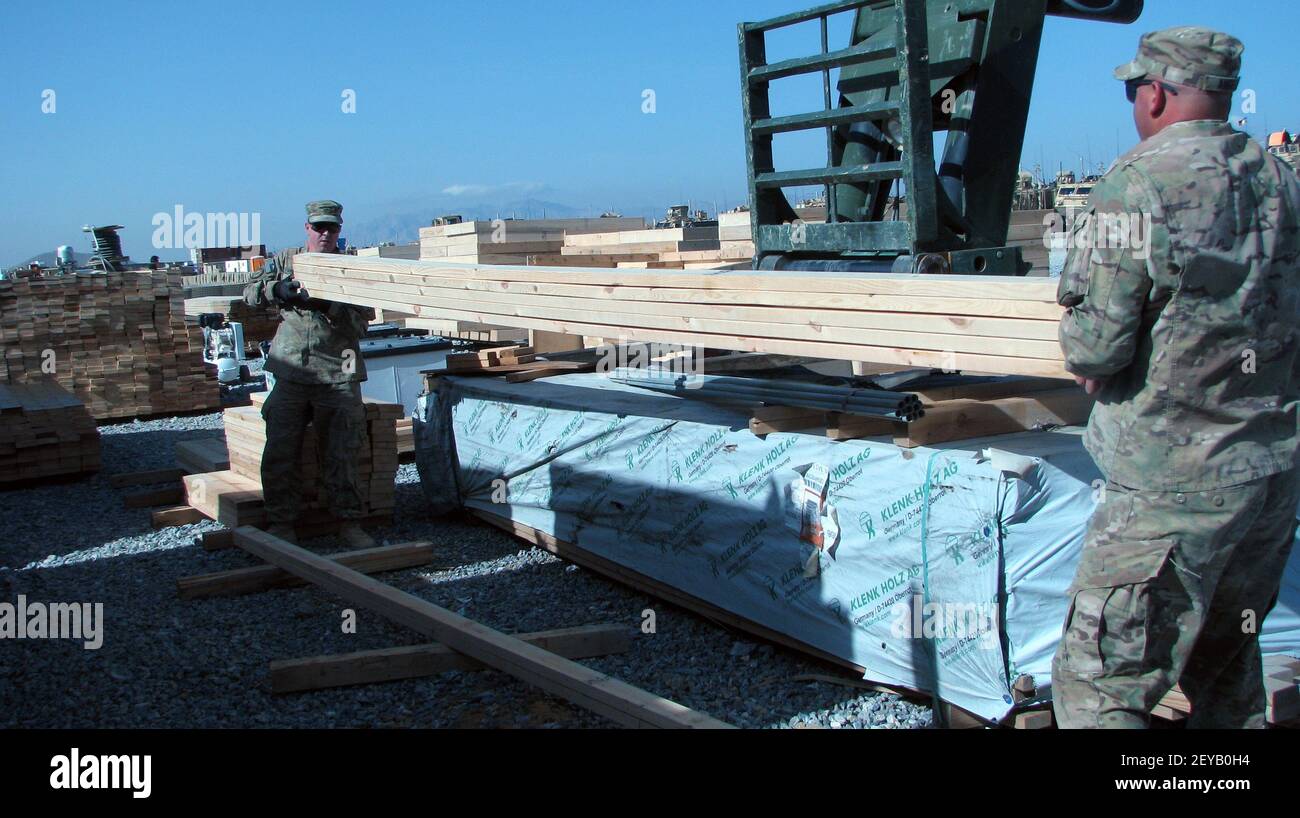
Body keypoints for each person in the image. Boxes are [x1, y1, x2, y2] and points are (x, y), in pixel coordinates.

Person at [1052, 26, 1300, 728]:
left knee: (1101, 684)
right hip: (1267, 474)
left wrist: (1097, 360)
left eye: (1137, 90)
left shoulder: (1137, 185)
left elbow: (1096, 347)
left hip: (1170, 490)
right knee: (1228, 675)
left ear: (1156, 92)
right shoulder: (1283, 179)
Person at [243, 200, 377, 548]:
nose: (324, 234)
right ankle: (282, 522)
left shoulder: (351, 269)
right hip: (292, 370)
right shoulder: (286, 261)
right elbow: (249, 293)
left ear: (339, 231)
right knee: (281, 450)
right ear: (307, 228)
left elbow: (363, 324)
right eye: (318, 227)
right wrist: (278, 290)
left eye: (331, 228)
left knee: (342, 452)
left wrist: (330, 305)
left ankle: (348, 523)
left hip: (338, 372)